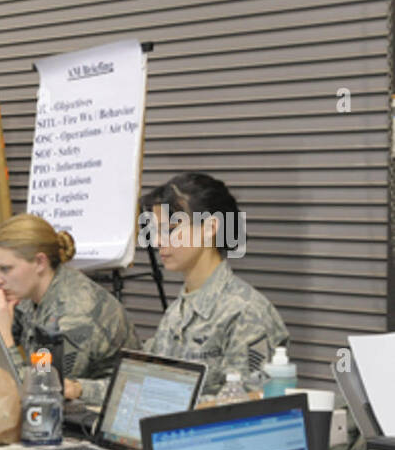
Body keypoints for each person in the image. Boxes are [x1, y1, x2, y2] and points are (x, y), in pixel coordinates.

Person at [71, 172, 288, 403]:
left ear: (209, 228)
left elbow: (250, 404)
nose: (158, 242)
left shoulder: (246, 312)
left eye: (171, 229)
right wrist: (78, 389)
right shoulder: (177, 313)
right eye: (156, 231)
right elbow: (141, 384)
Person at [0, 214, 137, 400]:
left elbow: (40, 391)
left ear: (40, 262)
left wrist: (2, 336)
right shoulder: (28, 292)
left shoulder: (74, 312)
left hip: (107, 412)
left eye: (6, 269)